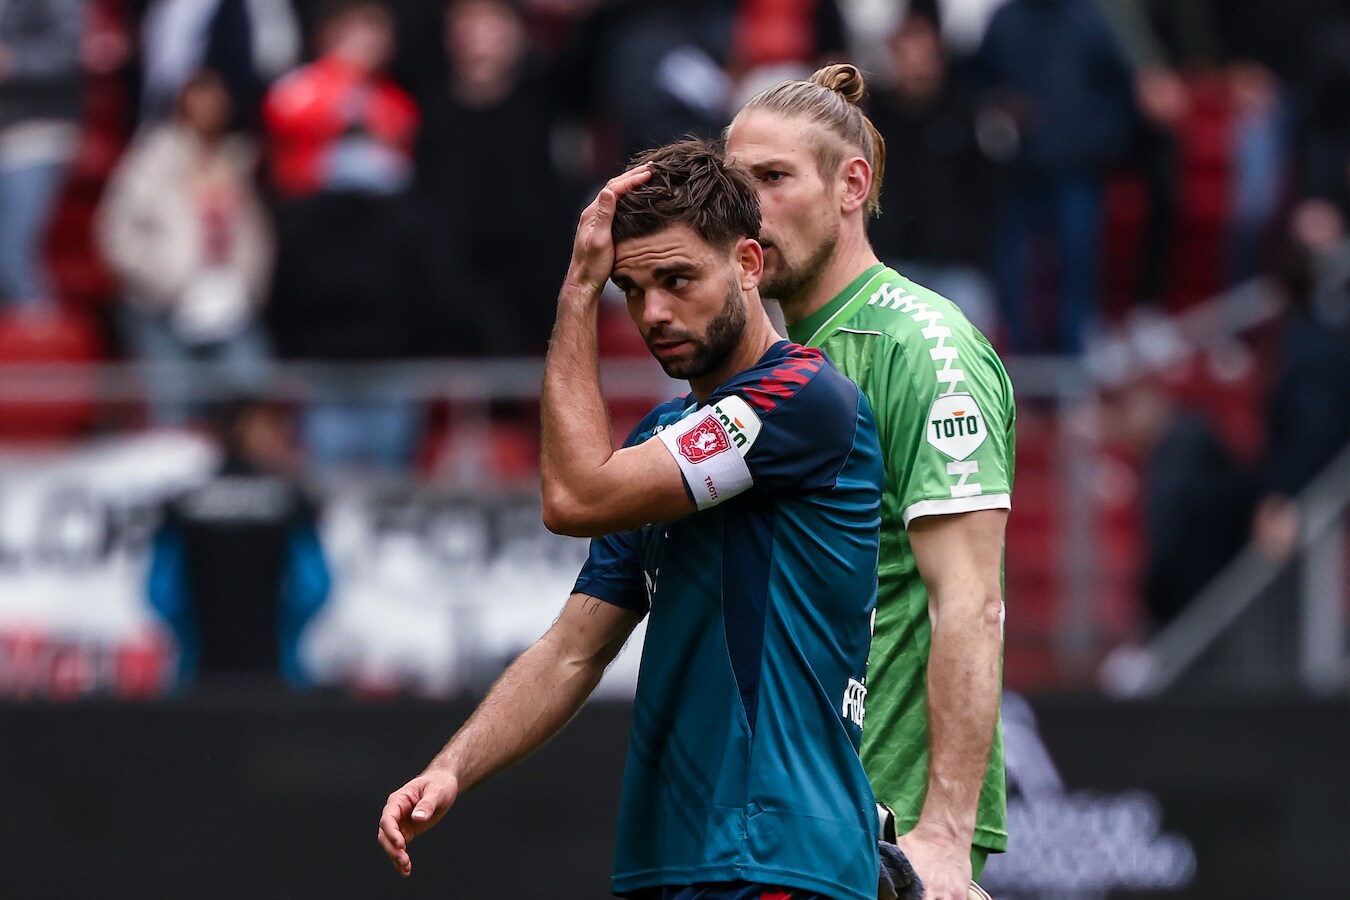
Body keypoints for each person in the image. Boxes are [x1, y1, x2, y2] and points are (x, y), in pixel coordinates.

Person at [378, 139, 885, 900]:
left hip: (777, 853)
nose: (653, 313)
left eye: (677, 280)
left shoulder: (804, 399)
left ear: (747, 266)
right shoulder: (659, 439)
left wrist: (578, 290)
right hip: (674, 856)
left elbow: (574, 499)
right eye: (629, 288)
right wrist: (452, 766)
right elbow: (572, 653)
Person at [726, 63, 1015, 900]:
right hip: (787, 814)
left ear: (852, 185)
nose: (749, 211)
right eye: (734, 187)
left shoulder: (924, 347)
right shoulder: (778, 362)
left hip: (883, 829)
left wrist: (946, 838)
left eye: (774, 179)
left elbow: (972, 600)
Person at [97, 68, 274, 427]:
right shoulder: (152, 158)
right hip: (162, 303)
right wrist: (165, 280)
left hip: (227, 301)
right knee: (173, 406)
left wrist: (247, 285)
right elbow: (116, 232)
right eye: (200, 97)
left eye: (216, 98)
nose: (209, 106)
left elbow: (255, 235)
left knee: (254, 390)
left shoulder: (237, 159)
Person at [147, 395, 330, 689]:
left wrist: (189, 638)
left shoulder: (182, 502)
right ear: (240, 430)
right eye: (270, 427)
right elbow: (315, 586)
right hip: (276, 672)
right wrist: (287, 639)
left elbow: (161, 592)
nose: (281, 436)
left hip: (198, 673)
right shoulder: (291, 501)